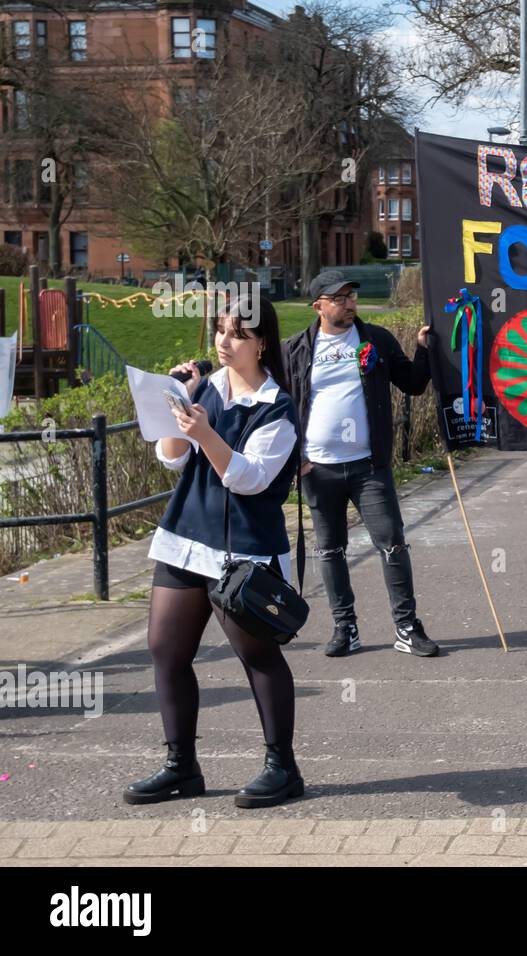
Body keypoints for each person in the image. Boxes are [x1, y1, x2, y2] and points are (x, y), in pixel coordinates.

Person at [125, 293, 304, 808]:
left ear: (262, 343)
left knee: (257, 655)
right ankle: (181, 766)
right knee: (166, 650)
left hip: (244, 551)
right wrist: (178, 403)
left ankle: (282, 767)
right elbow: (170, 458)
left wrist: (205, 432)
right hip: (186, 538)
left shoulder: (278, 407)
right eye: (220, 331)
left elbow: (247, 479)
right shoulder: (206, 385)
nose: (225, 342)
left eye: (238, 334)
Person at [282, 270, 437, 658]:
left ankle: (406, 626)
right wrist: (292, 459)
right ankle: (344, 627)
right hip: (318, 469)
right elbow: (278, 407)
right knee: (330, 550)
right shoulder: (296, 350)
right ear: (318, 306)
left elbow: (414, 384)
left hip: (369, 466)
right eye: (339, 298)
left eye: (351, 296)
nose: (349, 304)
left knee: (392, 544)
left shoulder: (377, 340)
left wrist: (424, 349)